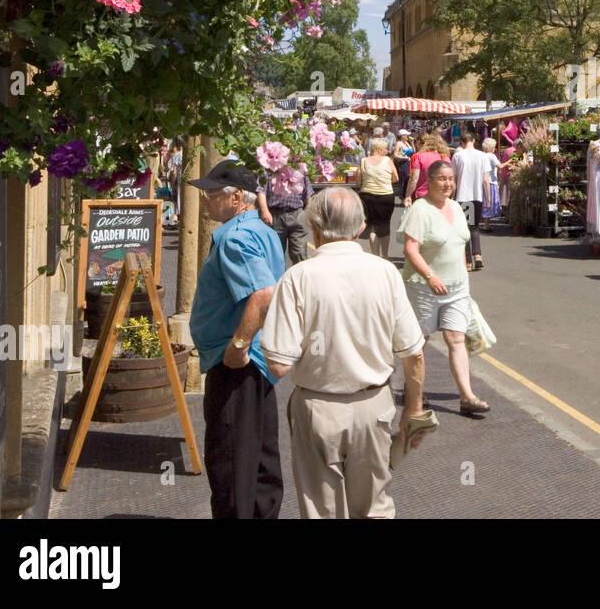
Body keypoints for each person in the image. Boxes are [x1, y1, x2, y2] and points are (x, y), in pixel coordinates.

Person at [261, 188, 433, 518]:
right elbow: (414, 353)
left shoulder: (298, 277)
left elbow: (278, 364)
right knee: (373, 508)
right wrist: (413, 409)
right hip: (373, 406)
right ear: (359, 228)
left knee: (322, 510)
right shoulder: (385, 273)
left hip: (317, 407)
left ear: (314, 227)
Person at [188, 160, 285, 519]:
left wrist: (237, 347)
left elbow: (262, 293)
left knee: (231, 462)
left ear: (237, 198)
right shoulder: (260, 230)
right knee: (259, 460)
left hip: (237, 365)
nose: (205, 201)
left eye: (212, 195)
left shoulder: (237, 237)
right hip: (257, 364)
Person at [398, 160, 491, 416]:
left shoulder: (456, 207)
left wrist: (464, 273)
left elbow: (460, 243)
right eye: (441, 179)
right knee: (419, 342)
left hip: (457, 287)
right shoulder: (420, 209)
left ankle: (467, 396)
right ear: (429, 181)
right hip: (424, 287)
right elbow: (410, 249)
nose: (447, 184)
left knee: (456, 338)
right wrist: (430, 276)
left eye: (450, 179)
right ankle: (412, 390)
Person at [256, 162, 314, 266]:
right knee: (275, 255)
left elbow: (308, 193)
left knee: (299, 254)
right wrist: (264, 211)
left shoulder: (300, 169)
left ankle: (300, 279)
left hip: (297, 215)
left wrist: (310, 213)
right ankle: (277, 280)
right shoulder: (268, 170)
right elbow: (261, 191)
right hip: (275, 216)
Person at [450, 133, 490, 270]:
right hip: (477, 195)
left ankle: (467, 261)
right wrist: (488, 197)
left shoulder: (457, 156)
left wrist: (451, 196)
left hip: (462, 195)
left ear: (462, 142)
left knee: (464, 228)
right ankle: (477, 255)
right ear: (473, 140)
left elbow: (454, 179)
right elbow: (486, 179)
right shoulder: (482, 156)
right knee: (474, 227)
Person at [358, 137, 399, 258]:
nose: (387, 150)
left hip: (367, 196)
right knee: (385, 225)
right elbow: (396, 177)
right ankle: (385, 256)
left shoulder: (363, 161)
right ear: (380, 149)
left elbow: (358, 181)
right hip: (385, 195)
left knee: (372, 227)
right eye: (385, 148)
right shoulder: (387, 160)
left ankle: (375, 255)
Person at [403, 132, 449, 207]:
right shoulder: (445, 158)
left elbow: (414, 179)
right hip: (440, 195)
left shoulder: (420, 156)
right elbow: (449, 179)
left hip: (422, 196)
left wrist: (408, 195)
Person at [480, 138, 504, 228]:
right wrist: (509, 162)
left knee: (484, 200)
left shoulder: (482, 155)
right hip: (491, 181)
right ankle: (486, 224)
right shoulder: (492, 156)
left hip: (483, 181)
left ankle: (485, 223)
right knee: (489, 202)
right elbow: (500, 166)